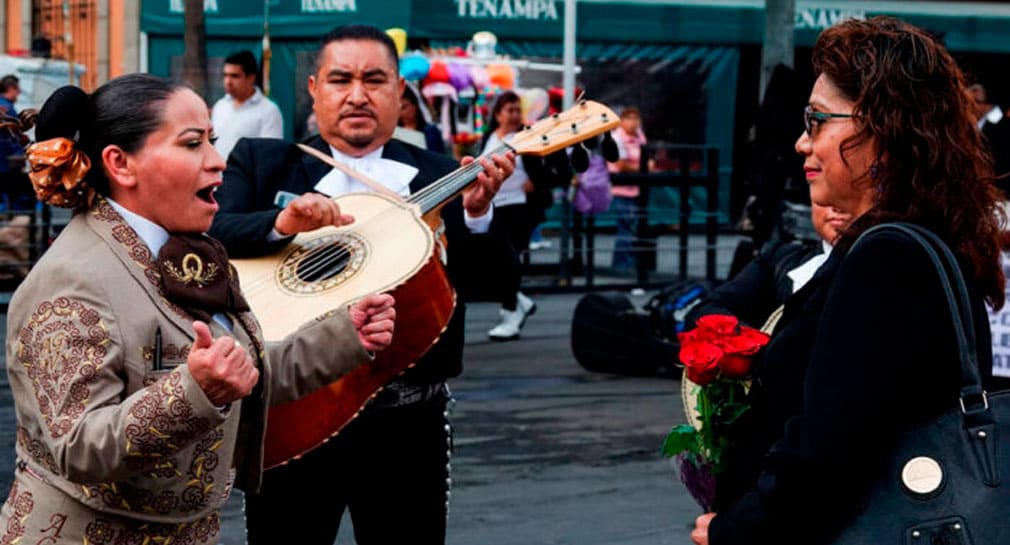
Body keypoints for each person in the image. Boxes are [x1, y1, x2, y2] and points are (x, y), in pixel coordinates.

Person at [0, 74, 396, 543]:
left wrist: (344, 336)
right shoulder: (71, 279)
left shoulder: (192, 252)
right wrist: (194, 391)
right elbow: (78, 444)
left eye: (212, 140)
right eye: (192, 144)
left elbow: (240, 372)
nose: (217, 162)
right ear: (121, 164)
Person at [691, 16, 1004, 545]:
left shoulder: (888, 258)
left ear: (881, 129)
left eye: (816, 121)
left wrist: (736, 530)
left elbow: (830, 449)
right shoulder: (905, 243)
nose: (800, 143)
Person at [207, 24, 513, 544]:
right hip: (294, 408)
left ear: (399, 90)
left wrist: (479, 216)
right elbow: (210, 238)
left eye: (374, 80)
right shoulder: (262, 163)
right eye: (339, 79)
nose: (356, 95)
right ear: (313, 90)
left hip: (406, 422)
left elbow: (493, 282)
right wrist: (281, 224)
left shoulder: (442, 176)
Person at [479, 90, 570, 341]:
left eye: (518, 109)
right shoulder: (488, 137)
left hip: (521, 207)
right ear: (497, 114)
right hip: (493, 206)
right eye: (509, 110)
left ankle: (510, 314)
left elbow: (562, 171)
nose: (515, 115)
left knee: (508, 259)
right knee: (490, 260)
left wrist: (537, 181)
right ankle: (519, 300)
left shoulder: (529, 136)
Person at [211, 50, 283, 159]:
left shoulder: (269, 111)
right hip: (218, 174)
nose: (228, 81)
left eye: (234, 76)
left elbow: (270, 154)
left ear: (251, 78)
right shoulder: (220, 106)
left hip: (248, 175)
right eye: (225, 75)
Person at [607, 106, 649, 274]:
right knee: (625, 227)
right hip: (621, 190)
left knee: (632, 227)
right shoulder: (616, 138)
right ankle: (621, 265)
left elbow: (647, 156)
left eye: (636, 118)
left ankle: (628, 262)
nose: (633, 122)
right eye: (629, 118)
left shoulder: (640, 136)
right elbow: (620, 164)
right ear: (622, 120)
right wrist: (643, 168)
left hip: (638, 189)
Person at [968, 82, 1010, 195]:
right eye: (967, 102)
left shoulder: (1001, 128)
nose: (971, 106)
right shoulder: (971, 126)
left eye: (975, 102)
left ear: (987, 104)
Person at [0, 74, 33, 210]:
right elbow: (14, 137)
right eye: (17, 89)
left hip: (5, 164)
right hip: (6, 164)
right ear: (10, 88)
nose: (19, 92)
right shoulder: (6, 109)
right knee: (21, 196)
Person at [398, 81, 446, 154]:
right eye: (397, 109)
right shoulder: (393, 132)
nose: (400, 113)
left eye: (404, 107)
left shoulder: (430, 131)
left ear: (415, 105)